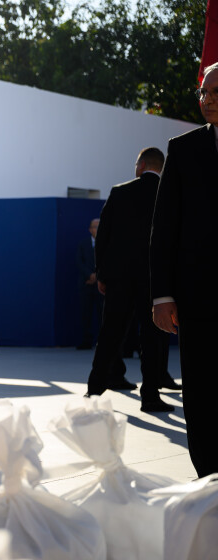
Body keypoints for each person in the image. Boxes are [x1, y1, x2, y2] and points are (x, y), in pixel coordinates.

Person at [150, 62, 218, 477]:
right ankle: (208, 480)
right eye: (203, 93)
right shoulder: (184, 149)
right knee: (203, 393)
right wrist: (162, 294)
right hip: (199, 299)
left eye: (215, 92)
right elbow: (164, 227)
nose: (206, 99)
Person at [86, 148, 171, 411]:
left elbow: (103, 237)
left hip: (119, 279)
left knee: (110, 332)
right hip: (154, 279)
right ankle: (151, 396)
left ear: (141, 165)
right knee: (152, 338)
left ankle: (95, 388)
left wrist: (102, 273)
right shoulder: (168, 194)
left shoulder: (120, 192)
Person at [76, 219, 103, 350]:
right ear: (89, 229)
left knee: (101, 314)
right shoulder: (83, 244)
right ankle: (86, 341)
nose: (97, 230)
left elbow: (108, 261)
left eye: (99, 227)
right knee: (85, 314)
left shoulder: (107, 244)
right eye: (94, 227)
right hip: (86, 284)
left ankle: (102, 341)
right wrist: (90, 275)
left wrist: (98, 276)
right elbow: (79, 262)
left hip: (102, 285)